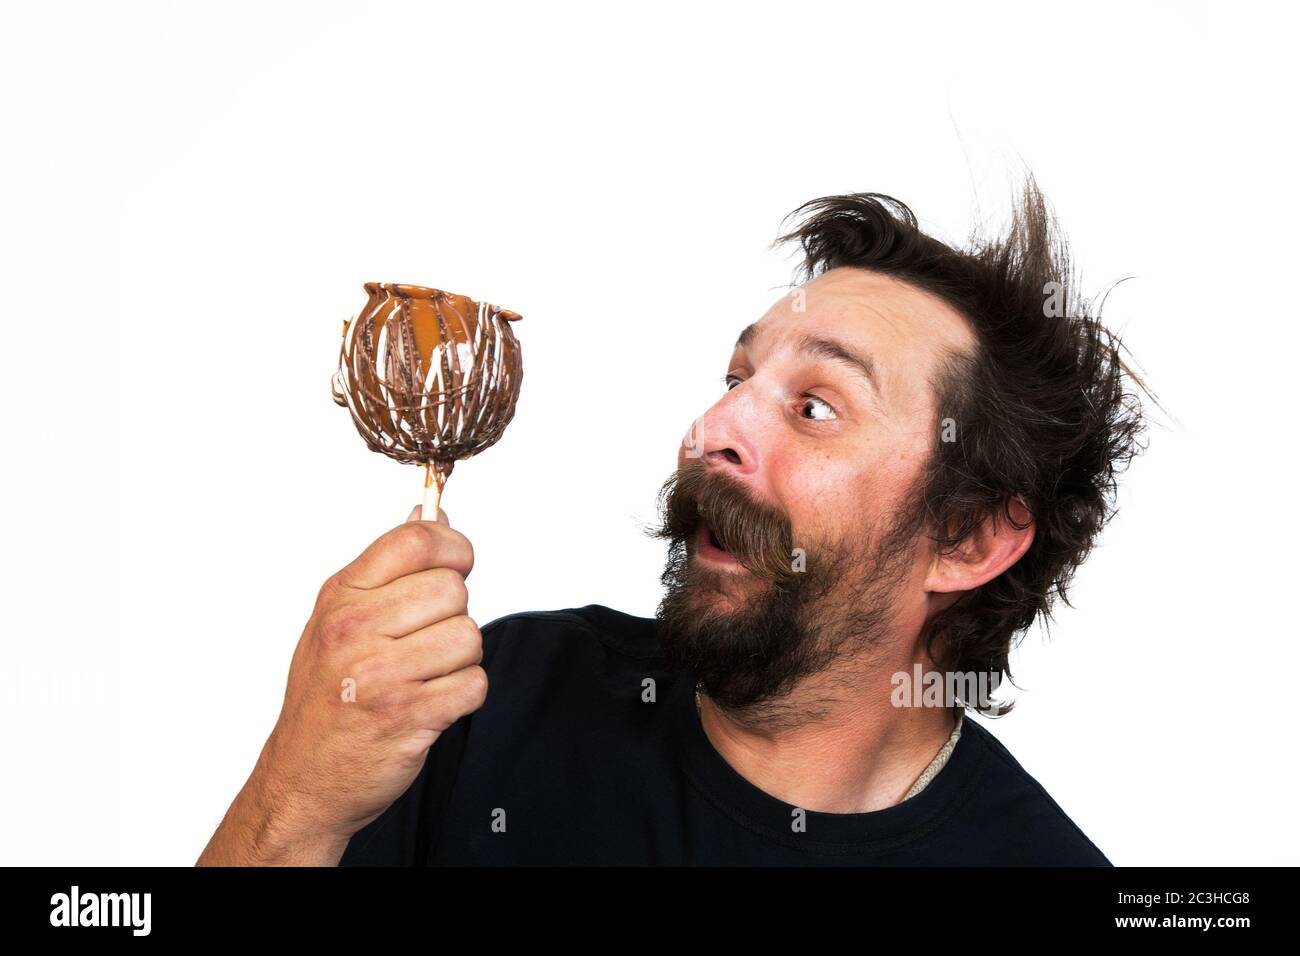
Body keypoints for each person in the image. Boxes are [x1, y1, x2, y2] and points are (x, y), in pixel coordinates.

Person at [198, 176, 1147, 866]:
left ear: (969, 537)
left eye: (815, 405)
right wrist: (296, 800)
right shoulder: (485, 705)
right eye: (737, 379)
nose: (711, 430)